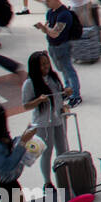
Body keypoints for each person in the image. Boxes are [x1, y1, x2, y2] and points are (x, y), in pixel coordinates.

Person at [21, 51, 70, 186]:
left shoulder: (53, 77)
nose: (46, 66)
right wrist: (38, 100)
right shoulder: (29, 83)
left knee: (63, 149)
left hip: (58, 119)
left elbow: (59, 96)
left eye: (47, 63)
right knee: (47, 152)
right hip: (43, 123)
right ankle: (47, 182)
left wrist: (66, 93)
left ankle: (64, 177)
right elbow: (26, 105)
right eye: (42, 64)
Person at [31, 0, 82, 106]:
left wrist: (44, 28)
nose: (46, 3)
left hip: (62, 46)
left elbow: (55, 33)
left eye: (48, 1)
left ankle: (76, 95)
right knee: (63, 69)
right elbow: (48, 29)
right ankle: (68, 89)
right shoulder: (50, 12)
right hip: (53, 46)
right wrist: (44, 28)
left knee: (68, 70)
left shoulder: (64, 14)